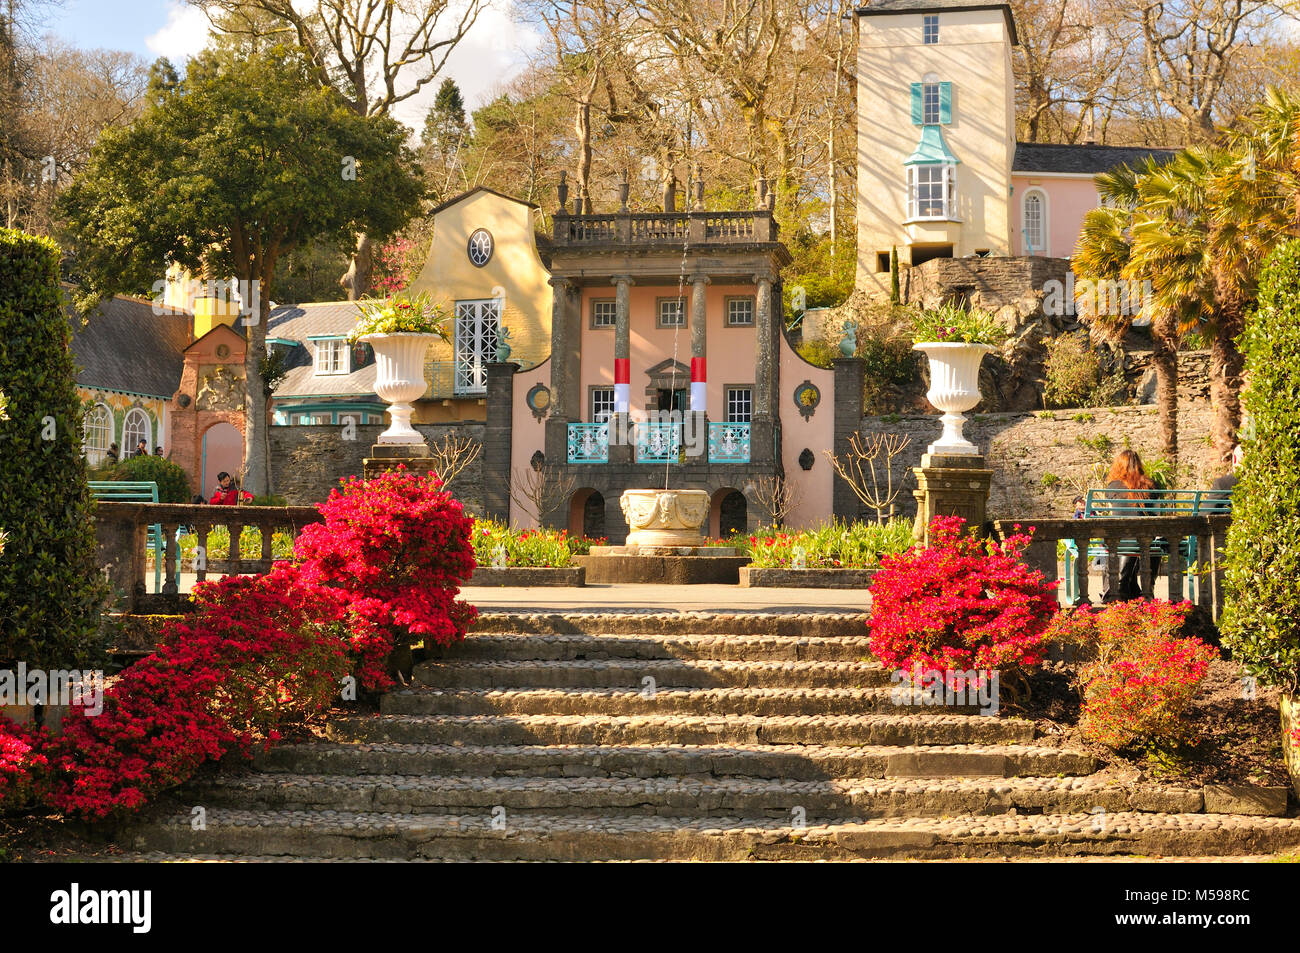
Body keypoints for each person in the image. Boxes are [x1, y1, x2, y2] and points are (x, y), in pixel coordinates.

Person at [1101, 448, 1160, 601]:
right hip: (1144, 541)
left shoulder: (1113, 486)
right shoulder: (1151, 485)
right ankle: (1146, 590)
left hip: (1119, 540)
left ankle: (1121, 588)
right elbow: (1157, 515)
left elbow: (1112, 515)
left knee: (1120, 541)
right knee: (1149, 543)